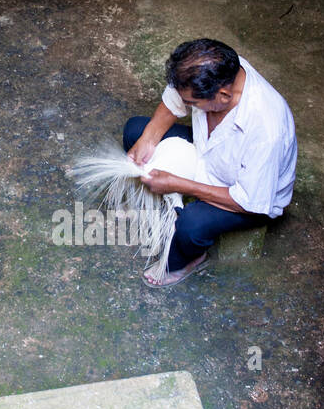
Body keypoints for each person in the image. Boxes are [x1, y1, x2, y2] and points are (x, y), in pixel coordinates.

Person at [123, 38, 297, 287]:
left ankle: (189, 259)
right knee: (135, 131)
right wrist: (149, 137)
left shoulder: (266, 128)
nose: (188, 105)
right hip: (211, 154)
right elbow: (174, 100)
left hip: (246, 196)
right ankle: (172, 205)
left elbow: (250, 201)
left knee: (192, 225)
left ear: (223, 96)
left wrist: (178, 184)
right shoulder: (218, 74)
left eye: (193, 104)